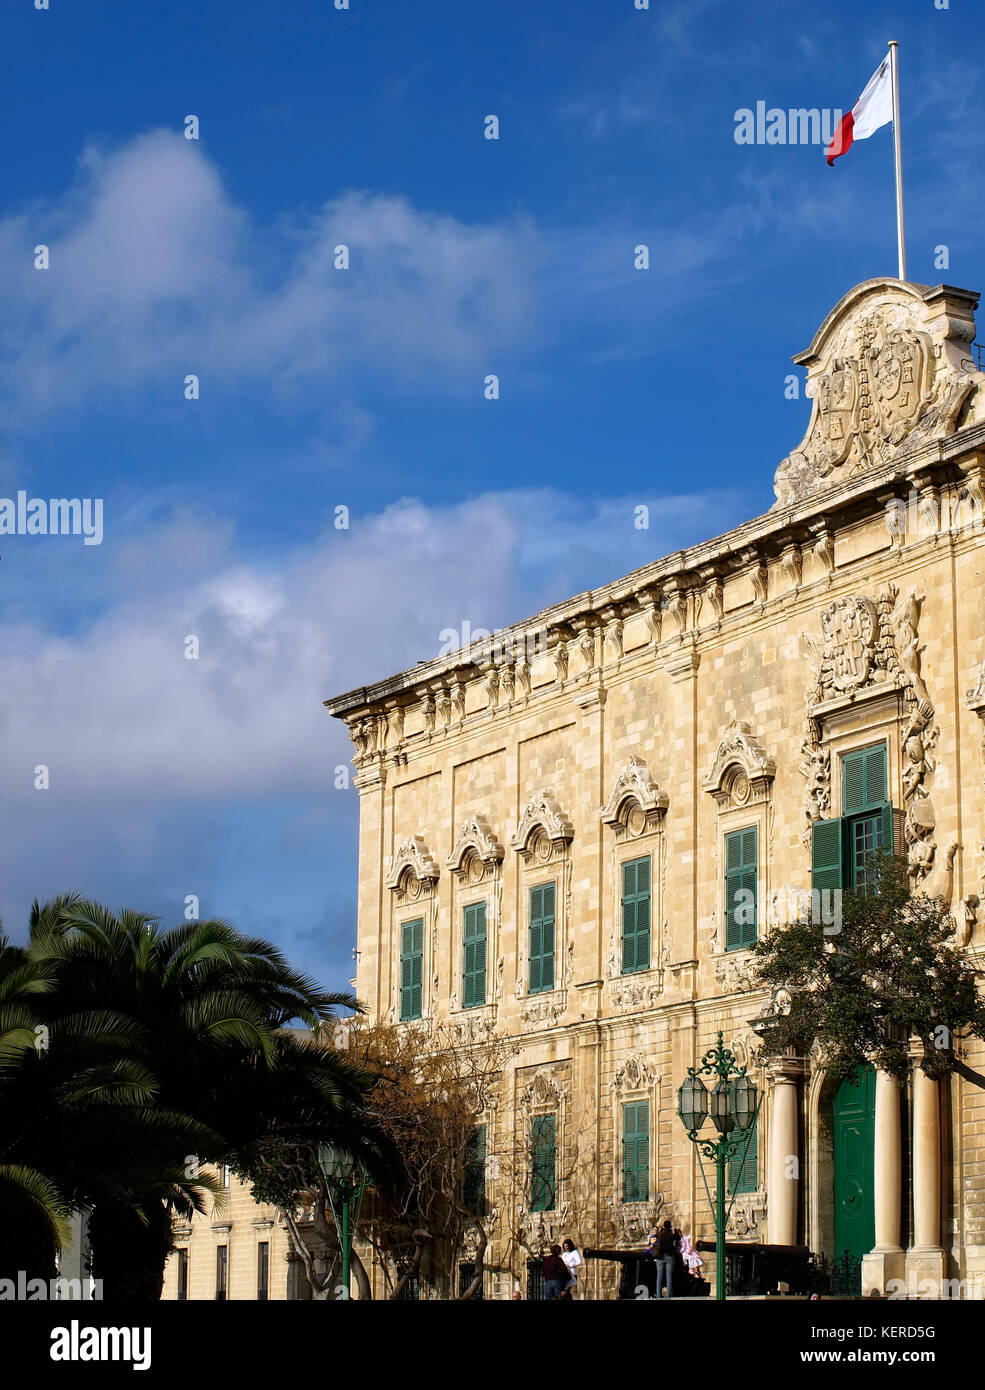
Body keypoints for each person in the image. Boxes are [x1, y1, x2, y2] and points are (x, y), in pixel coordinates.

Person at [654, 1220, 678, 1300]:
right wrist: (675, 1231)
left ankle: (658, 1295)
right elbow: (678, 1238)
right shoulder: (671, 1235)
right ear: (670, 1226)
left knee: (659, 1276)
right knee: (669, 1276)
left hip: (660, 1257)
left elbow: (655, 1236)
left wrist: (661, 1229)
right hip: (669, 1256)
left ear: (664, 1226)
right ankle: (669, 1295)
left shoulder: (660, 1234)